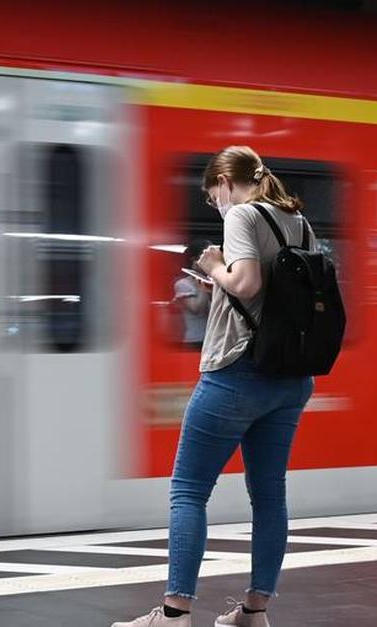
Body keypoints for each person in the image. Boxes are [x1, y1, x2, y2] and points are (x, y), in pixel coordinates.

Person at [113, 146, 316, 627]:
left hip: (237, 373)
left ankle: (175, 613)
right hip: (290, 377)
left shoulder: (243, 213)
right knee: (269, 495)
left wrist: (212, 267)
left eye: (212, 198)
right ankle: (254, 611)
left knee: (188, 490)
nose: (216, 206)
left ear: (225, 182)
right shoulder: (299, 222)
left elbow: (245, 283)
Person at [172, 239, 213, 349]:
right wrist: (201, 279)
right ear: (195, 260)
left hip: (213, 340)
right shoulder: (183, 284)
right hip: (195, 341)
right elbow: (197, 308)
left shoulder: (215, 281)